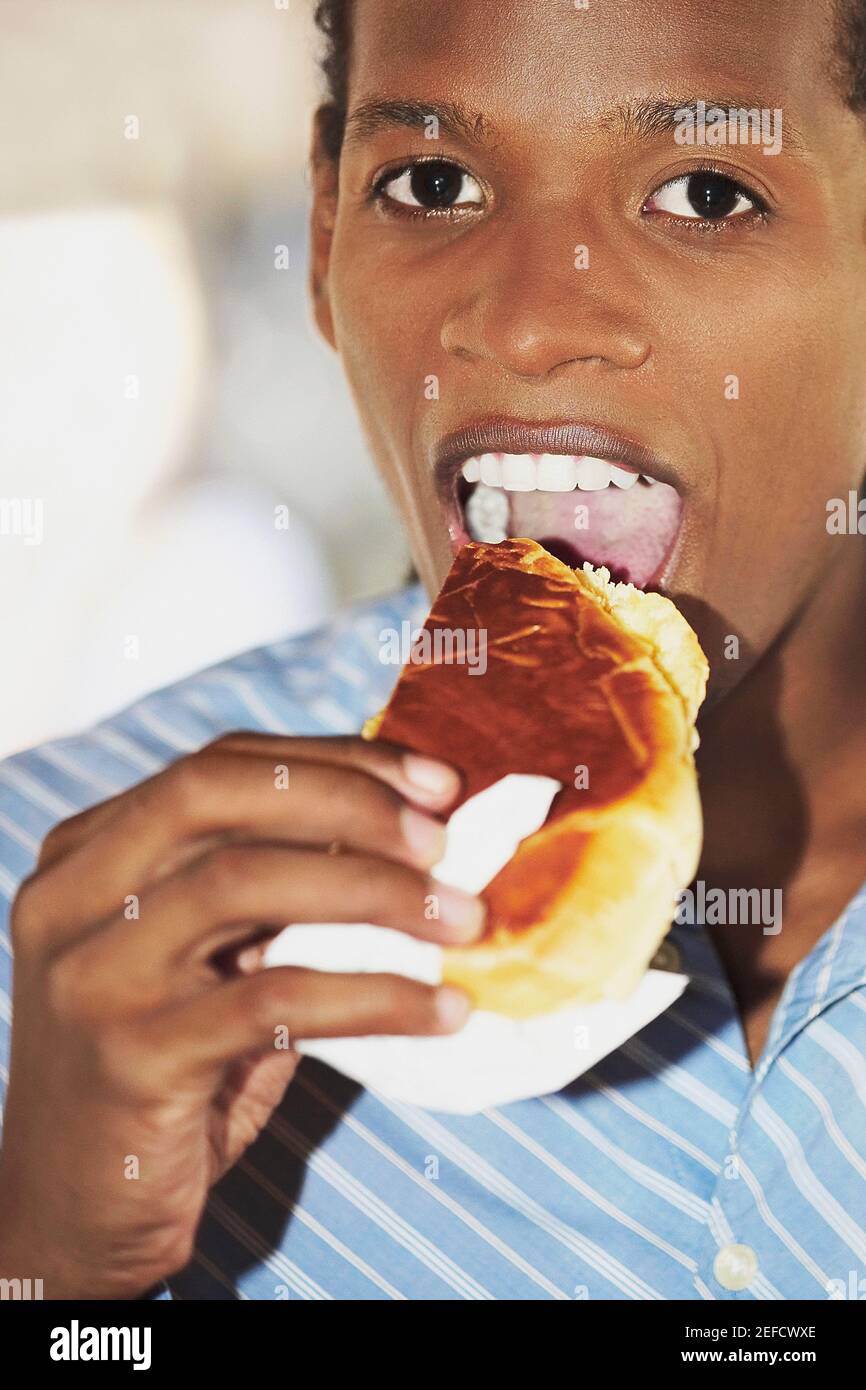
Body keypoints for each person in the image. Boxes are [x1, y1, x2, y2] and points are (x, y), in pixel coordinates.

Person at [1, 0, 865, 1301]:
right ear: (324, 238)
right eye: (433, 182)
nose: (519, 326)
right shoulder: (70, 954)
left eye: (702, 191)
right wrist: (53, 1273)